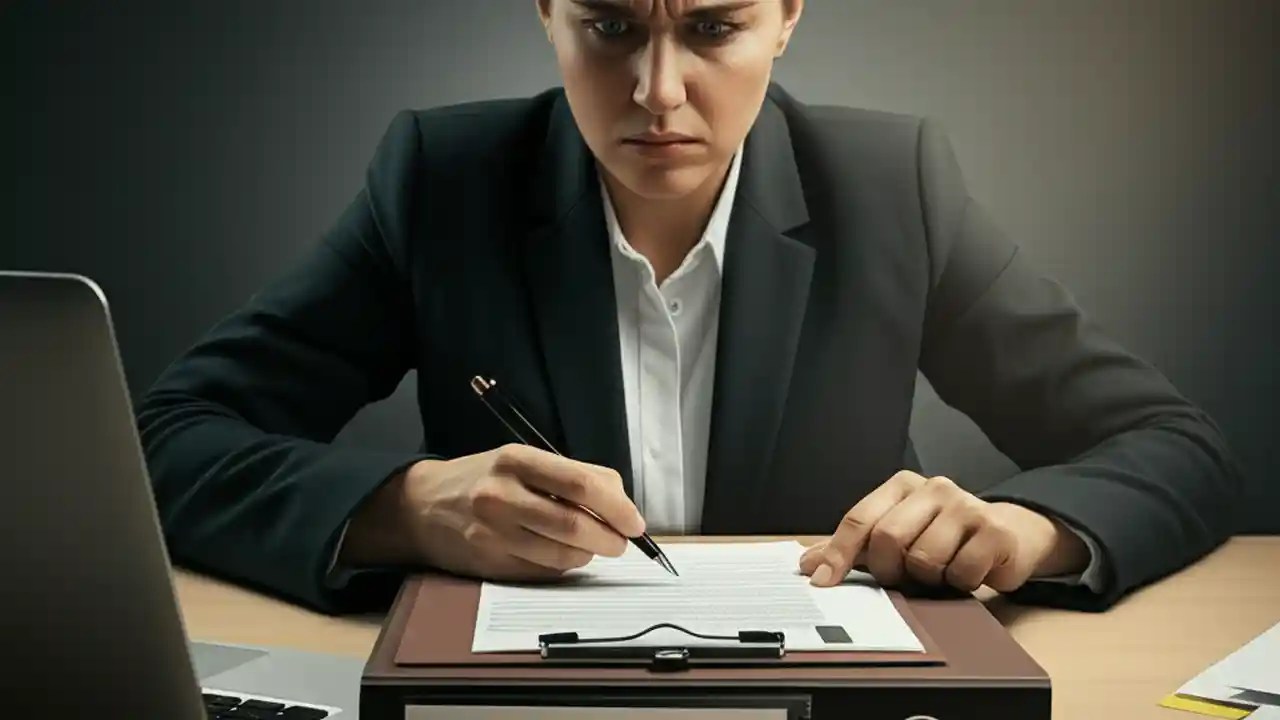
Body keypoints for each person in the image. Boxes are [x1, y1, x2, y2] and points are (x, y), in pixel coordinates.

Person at [136, 0, 1242, 616]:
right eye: (610, 26)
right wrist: (404, 508)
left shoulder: (889, 185)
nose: (657, 93)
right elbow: (165, 440)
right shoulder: (443, 180)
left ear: (786, 16)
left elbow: (1172, 446)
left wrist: (1024, 532)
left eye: (712, 28)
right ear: (546, 11)